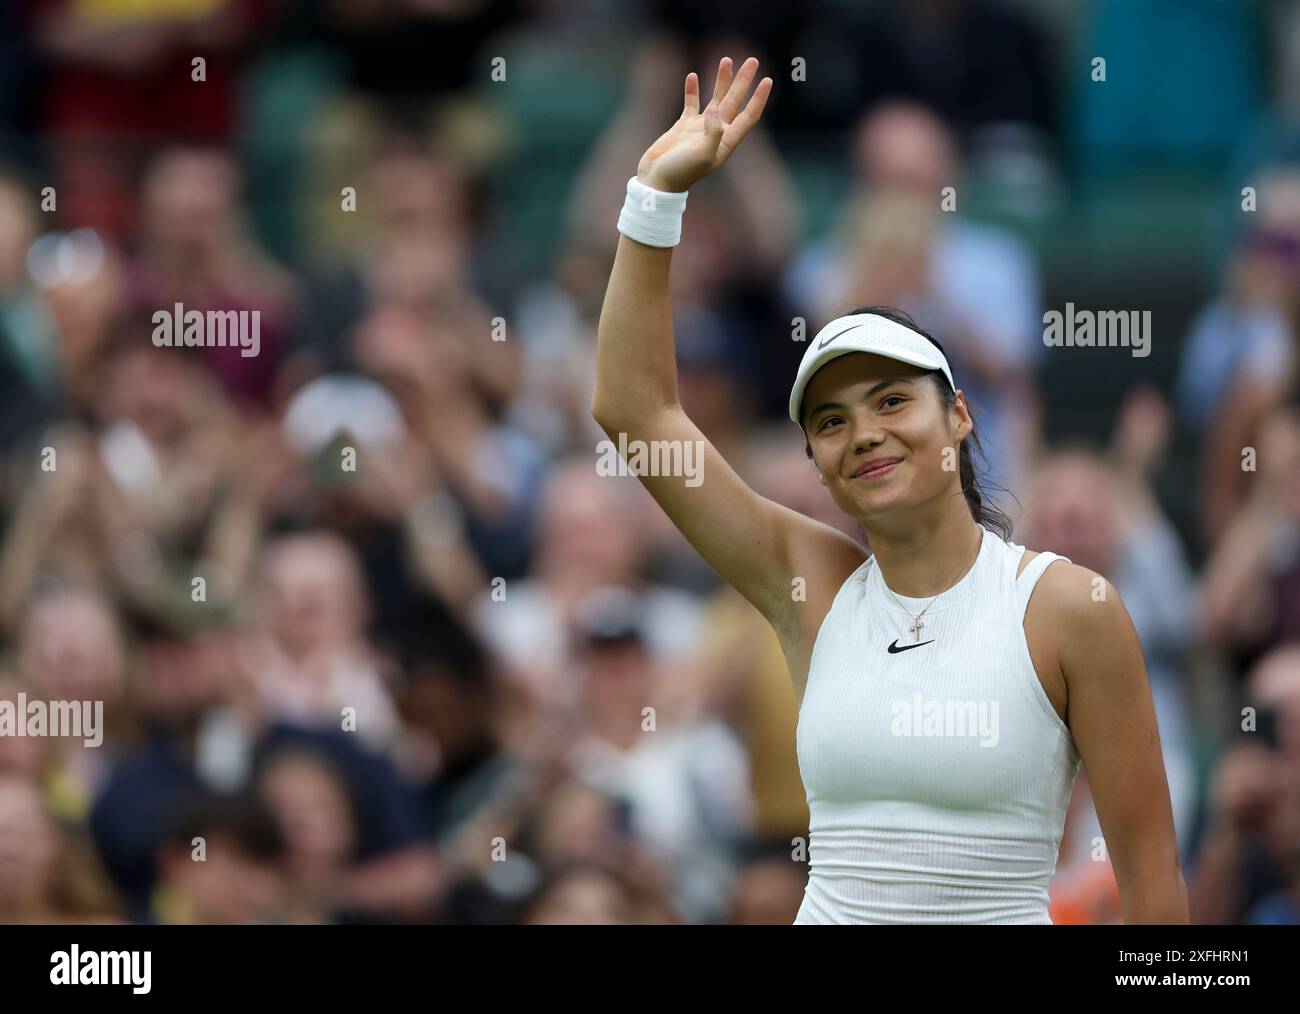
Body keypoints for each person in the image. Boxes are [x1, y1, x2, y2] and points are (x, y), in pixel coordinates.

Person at [591, 55, 1187, 923]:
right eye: (829, 421)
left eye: (892, 400)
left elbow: (1152, 876)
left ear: (960, 420)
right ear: (818, 465)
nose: (862, 431)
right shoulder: (811, 584)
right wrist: (653, 197)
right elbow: (635, 413)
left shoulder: (1072, 608)